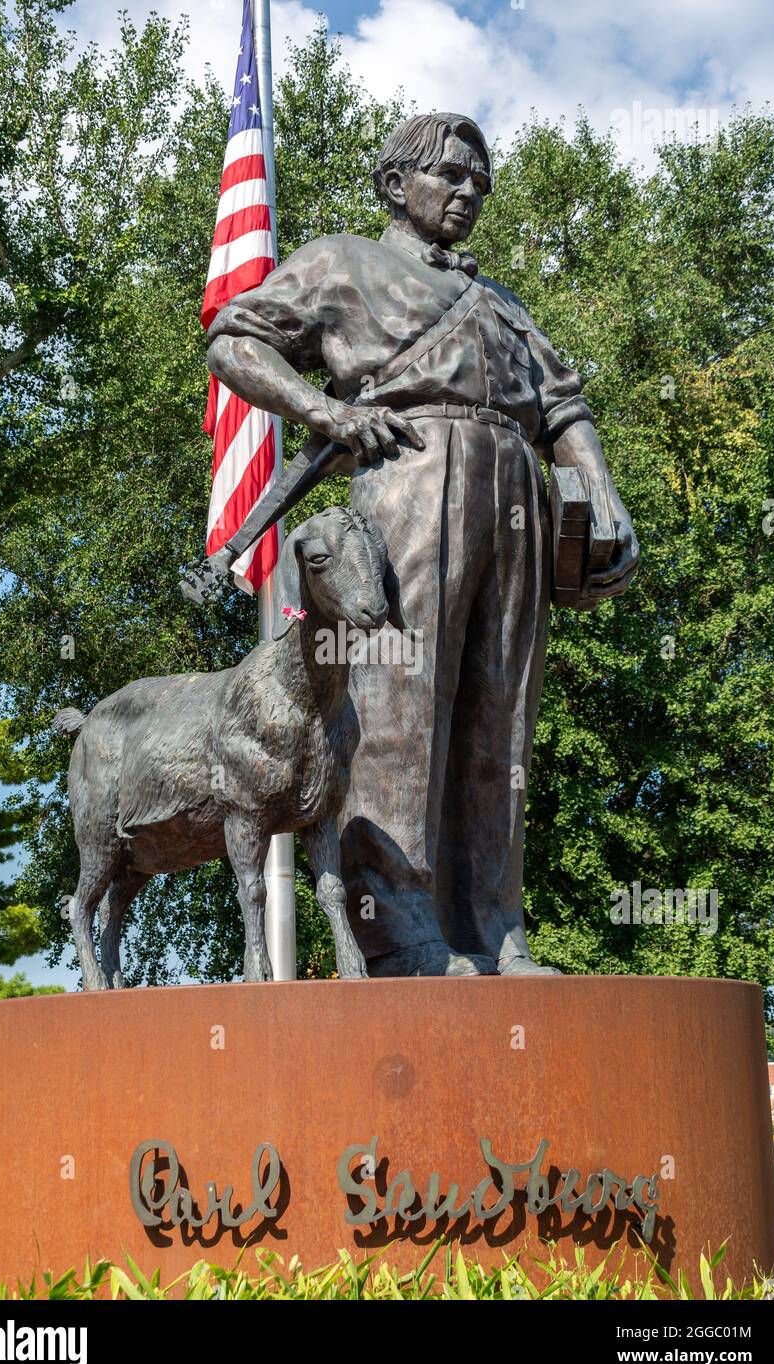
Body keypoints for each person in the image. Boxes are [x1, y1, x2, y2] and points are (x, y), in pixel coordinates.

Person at [207, 112, 639, 977]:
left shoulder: (502, 304)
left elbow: (561, 407)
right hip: (408, 478)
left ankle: (495, 929)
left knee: (500, 720)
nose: (468, 192)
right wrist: (324, 411)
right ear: (396, 186)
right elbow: (233, 339)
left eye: (480, 181)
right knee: (399, 704)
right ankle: (401, 929)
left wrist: (601, 490)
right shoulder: (340, 262)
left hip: (515, 491)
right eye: (450, 175)